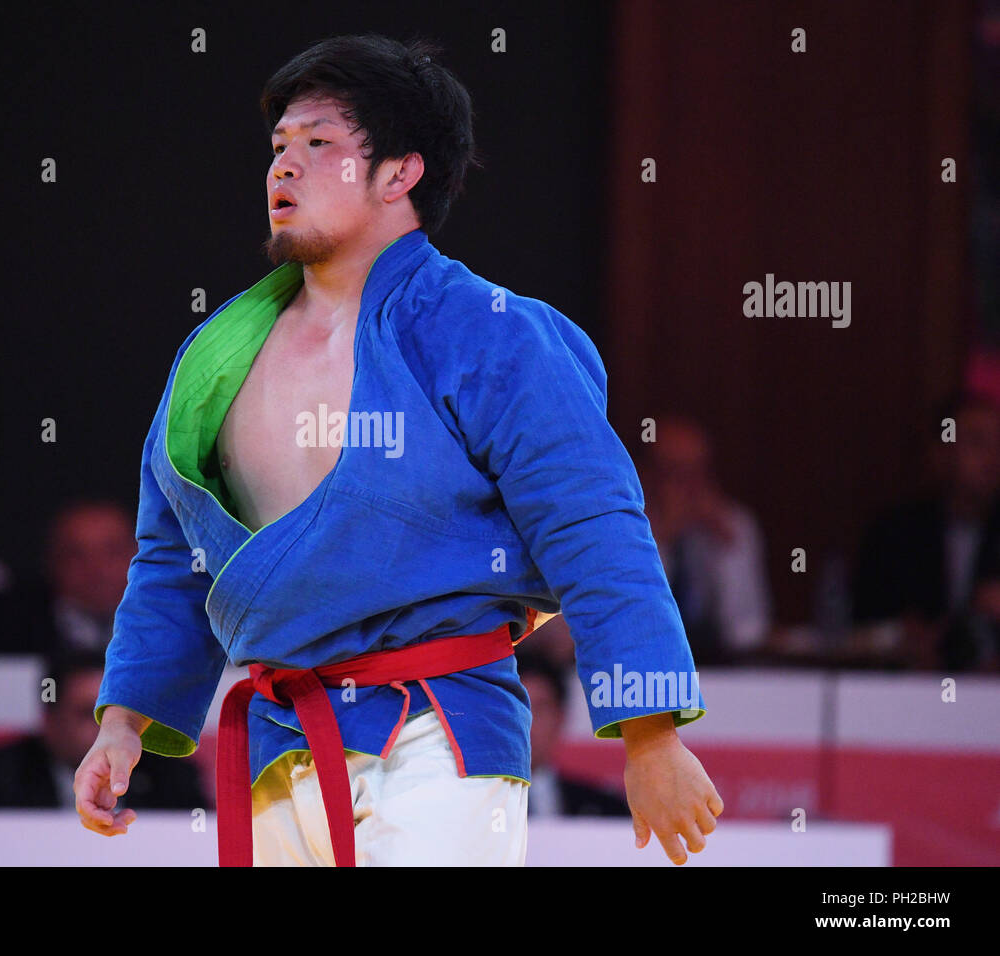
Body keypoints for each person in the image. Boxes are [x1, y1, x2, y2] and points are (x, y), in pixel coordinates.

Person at [76, 34, 721, 867]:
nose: (283, 167)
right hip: (278, 737)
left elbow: (592, 523)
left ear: (398, 173)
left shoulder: (489, 333)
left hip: (438, 728)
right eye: (278, 148)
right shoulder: (217, 356)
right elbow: (176, 556)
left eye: (318, 146)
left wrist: (651, 732)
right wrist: (124, 722)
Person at [852, 392, 1000, 669]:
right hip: (906, 693)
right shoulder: (894, 533)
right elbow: (861, 628)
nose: (992, 458)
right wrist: (902, 636)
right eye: (977, 443)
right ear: (941, 452)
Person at [0, 651, 205, 810]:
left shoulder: (173, 777)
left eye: (114, 714)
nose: (106, 729)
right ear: (50, 721)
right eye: (89, 713)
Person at [637, 415, 773, 664]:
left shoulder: (735, 525)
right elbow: (638, 624)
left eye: (696, 472)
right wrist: (664, 538)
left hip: (727, 678)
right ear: (648, 475)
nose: (688, 487)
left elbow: (748, 632)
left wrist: (727, 547)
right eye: (675, 473)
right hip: (646, 673)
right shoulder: (627, 529)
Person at [0, 500, 138, 657]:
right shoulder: (6, 632)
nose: (97, 569)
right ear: (51, 561)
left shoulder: (161, 624)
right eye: (76, 555)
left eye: (113, 552)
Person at [519, 651, 630, 817]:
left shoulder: (607, 810)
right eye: (516, 708)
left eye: (540, 708)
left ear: (560, 718)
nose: (528, 723)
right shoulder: (468, 806)